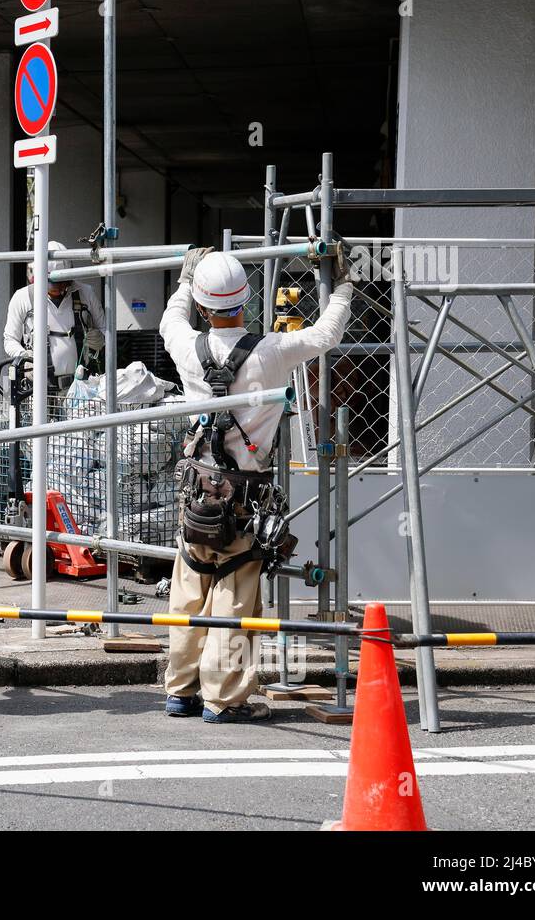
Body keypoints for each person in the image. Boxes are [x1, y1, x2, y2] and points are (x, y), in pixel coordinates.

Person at [158, 247, 353, 723]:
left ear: (204, 307)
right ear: (246, 301)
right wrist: (344, 282)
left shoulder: (186, 347)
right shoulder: (270, 351)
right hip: (244, 493)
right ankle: (222, 700)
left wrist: (187, 279)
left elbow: (170, 318)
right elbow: (328, 332)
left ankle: (180, 691)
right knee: (234, 590)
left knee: (189, 584)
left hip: (196, 486)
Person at [2, 241, 107, 392]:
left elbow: (105, 330)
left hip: (80, 388)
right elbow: (10, 339)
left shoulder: (85, 294)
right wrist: (24, 356)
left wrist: (99, 339)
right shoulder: (23, 297)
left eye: (63, 282)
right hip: (38, 389)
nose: (58, 288)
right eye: (52, 284)